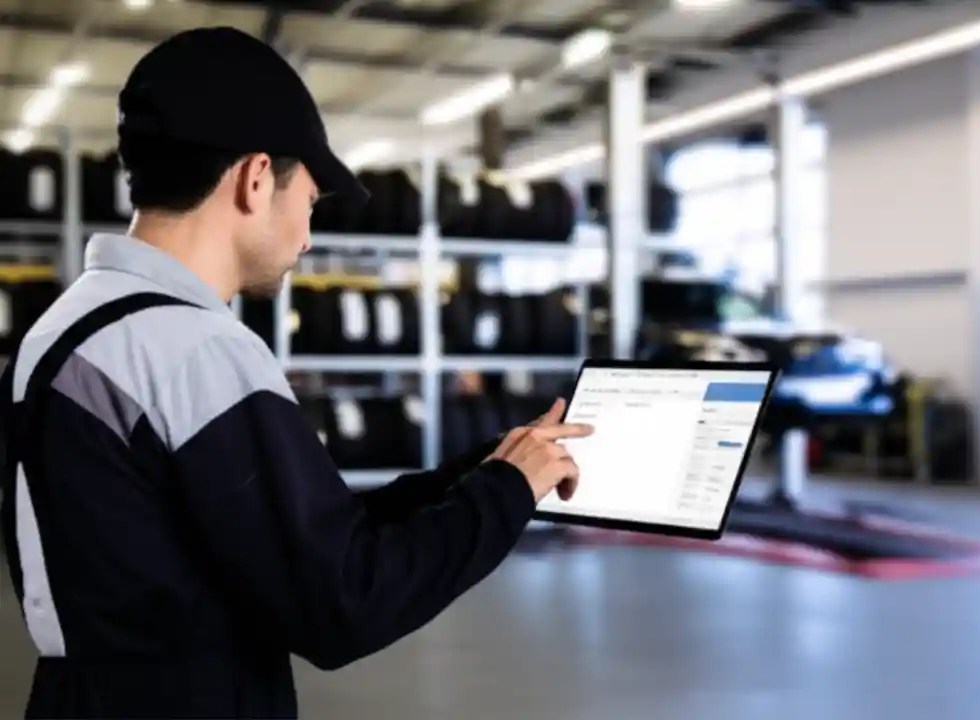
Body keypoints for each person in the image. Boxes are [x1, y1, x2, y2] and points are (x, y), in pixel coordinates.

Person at [0, 26, 590, 720]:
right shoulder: (194, 347)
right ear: (255, 180)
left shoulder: (63, 328)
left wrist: (488, 470)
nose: (308, 237)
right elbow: (343, 598)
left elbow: (283, 532)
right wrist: (504, 497)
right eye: (309, 201)